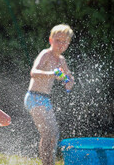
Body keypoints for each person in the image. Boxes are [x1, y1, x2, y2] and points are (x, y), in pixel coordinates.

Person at [24, 24, 74, 165]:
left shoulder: (62, 60)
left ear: (68, 44)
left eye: (64, 42)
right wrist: (52, 74)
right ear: (50, 40)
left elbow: (68, 78)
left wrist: (69, 81)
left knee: (54, 134)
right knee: (47, 133)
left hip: (45, 99)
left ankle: (49, 162)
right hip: (34, 96)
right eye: (58, 40)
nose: (61, 44)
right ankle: (47, 163)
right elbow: (34, 72)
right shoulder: (46, 54)